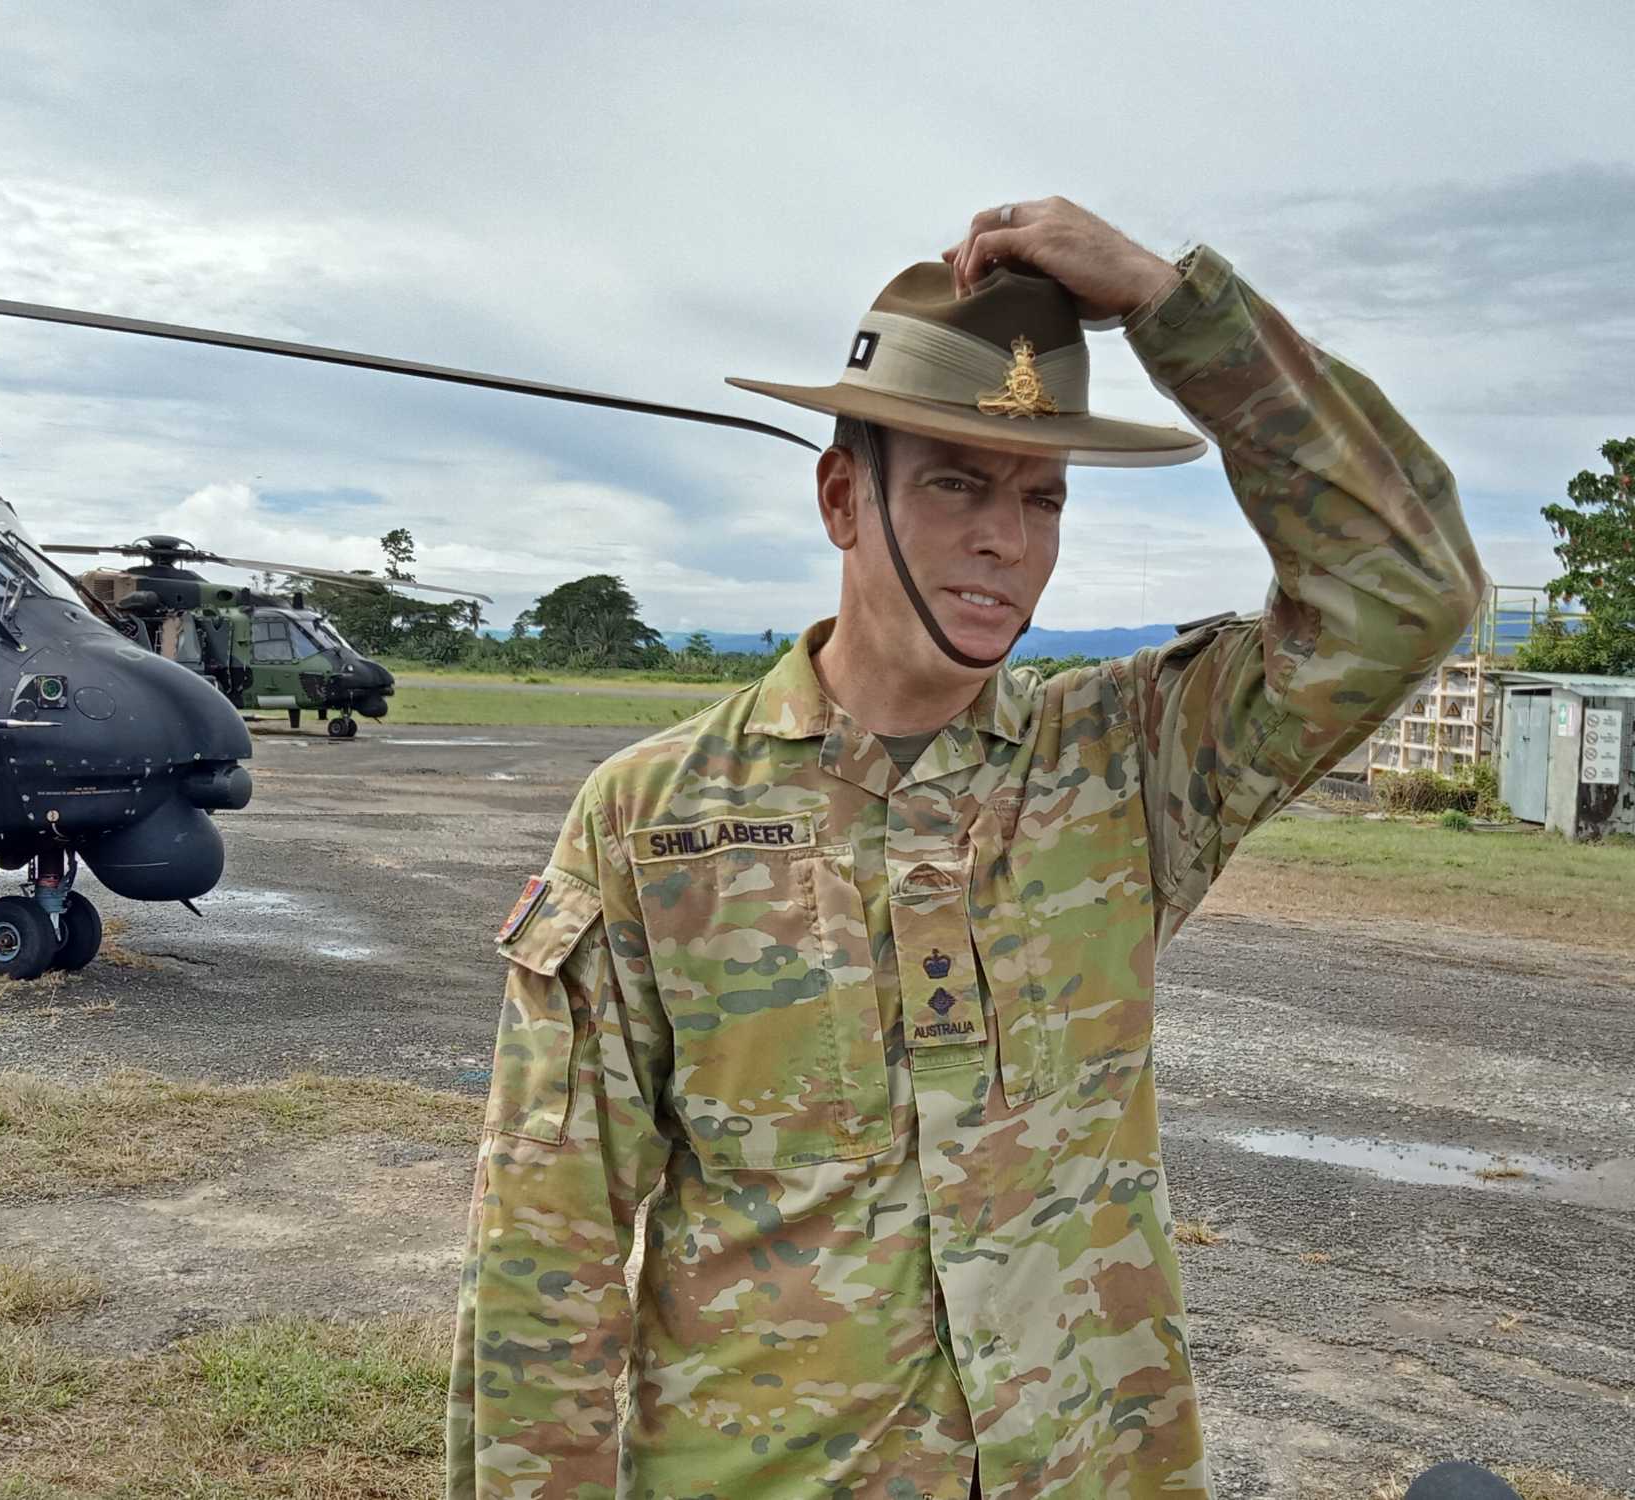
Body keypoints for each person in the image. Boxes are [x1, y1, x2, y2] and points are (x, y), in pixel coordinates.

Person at [447, 196, 1486, 1499]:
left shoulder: (1126, 763)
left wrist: (1177, 308)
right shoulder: (655, 818)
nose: (1008, 538)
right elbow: (546, 1248)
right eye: (954, 483)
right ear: (843, 496)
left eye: (1042, 497)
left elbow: (1405, 594)